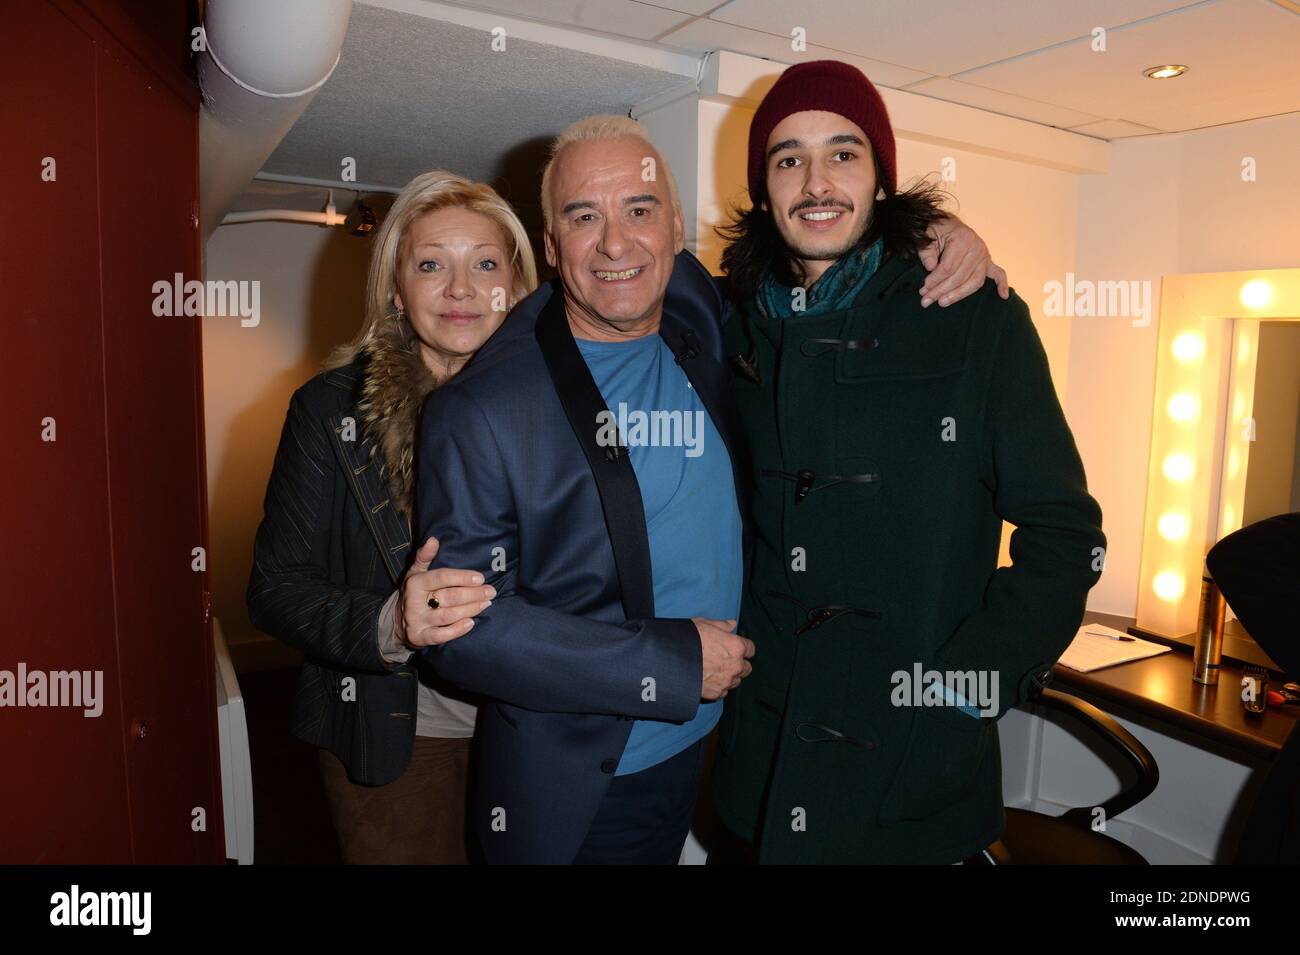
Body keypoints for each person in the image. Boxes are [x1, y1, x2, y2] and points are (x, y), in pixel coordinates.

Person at [411, 114, 1002, 864]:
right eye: (583, 216)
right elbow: (465, 633)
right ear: (552, 246)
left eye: (640, 209)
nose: (617, 243)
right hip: (595, 777)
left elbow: (819, 256)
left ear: (678, 228)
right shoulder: (483, 411)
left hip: (733, 741)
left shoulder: (702, 310)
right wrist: (672, 664)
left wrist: (936, 232)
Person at [708, 60, 1106, 864]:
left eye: (843, 152)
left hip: (911, 767)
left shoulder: (971, 317)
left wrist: (967, 687)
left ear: (882, 177)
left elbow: (1064, 532)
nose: (816, 181)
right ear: (763, 188)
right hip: (766, 758)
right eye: (788, 158)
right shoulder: (730, 323)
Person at [246, 170, 534, 864]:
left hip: (532, 725)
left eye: (484, 263)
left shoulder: (559, 407)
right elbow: (275, 588)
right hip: (394, 728)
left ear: (516, 288)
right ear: (397, 290)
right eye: (431, 264)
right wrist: (392, 623)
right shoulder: (328, 410)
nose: (461, 288)